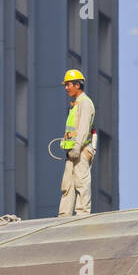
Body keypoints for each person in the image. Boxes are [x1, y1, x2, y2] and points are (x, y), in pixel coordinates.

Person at [58, 69, 96, 216]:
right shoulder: (75, 105)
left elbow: (84, 127)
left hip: (80, 150)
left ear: (77, 85)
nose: (66, 88)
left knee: (81, 182)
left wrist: (77, 147)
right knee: (67, 185)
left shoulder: (85, 103)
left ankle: (82, 214)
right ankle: (64, 215)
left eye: (68, 84)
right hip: (72, 151)